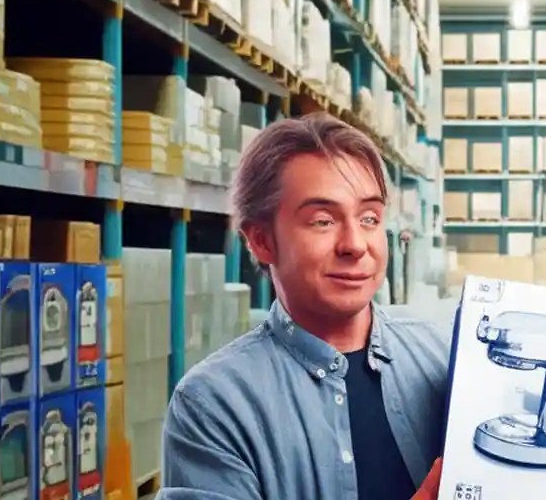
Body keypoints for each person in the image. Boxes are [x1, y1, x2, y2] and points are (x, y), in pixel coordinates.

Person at [158, 114, 450, 500]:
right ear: (262, 241)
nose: (356, 244)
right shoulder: (214, 406)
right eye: (323, 220)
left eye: (369, 218)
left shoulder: (443, 358)